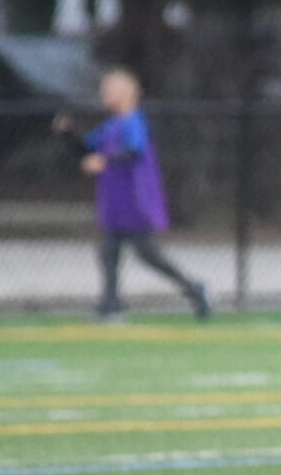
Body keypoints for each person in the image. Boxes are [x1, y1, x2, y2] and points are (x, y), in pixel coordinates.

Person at [56, 69, 210, 320]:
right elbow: (85, 151)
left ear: (127, 93)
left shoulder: (133, 122)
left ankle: (193, 289)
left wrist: (103, 160)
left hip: (136, 202)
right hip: (114, 203)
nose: (104, 95)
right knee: (108, 252)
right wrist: (67, 133)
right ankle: (110, 303)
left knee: (148, 255)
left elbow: (133, 151)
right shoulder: (111, 126)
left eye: (110, 90)